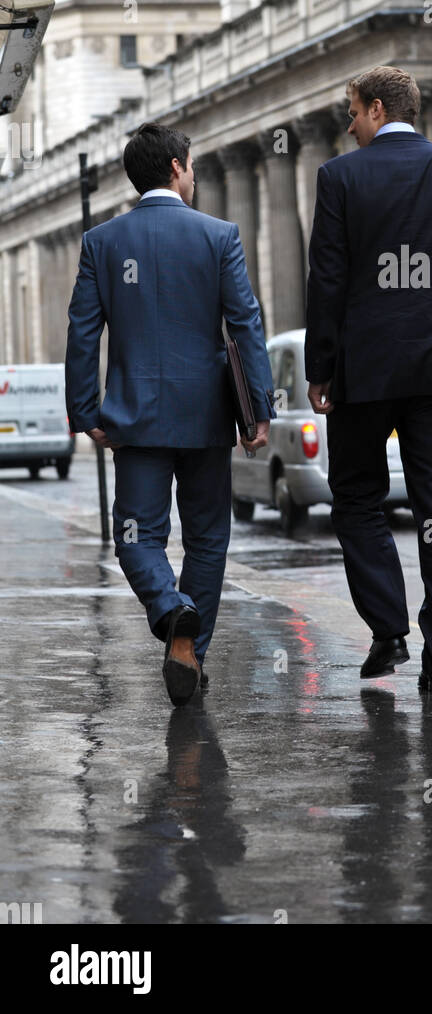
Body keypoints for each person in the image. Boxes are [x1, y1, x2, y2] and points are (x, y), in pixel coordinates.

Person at [305, 65, 432, 693]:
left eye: (351, 111)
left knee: (356, 498)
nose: (348, 124)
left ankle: (389, 626)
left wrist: (321, 369)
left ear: (373, 108)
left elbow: (329, 280)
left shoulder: (339, 176)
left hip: (364, 373)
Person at [65, 122, 275, 707]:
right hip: (207, 418)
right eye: (194, 165)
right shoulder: (219, 236)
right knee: (208, 540)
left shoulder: (101, 243)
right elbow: (245, 324)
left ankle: (170, 613)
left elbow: (83, 333)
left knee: (136, 537)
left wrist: (85, 411)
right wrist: (258, 410)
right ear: (179, 167)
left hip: (134, 420)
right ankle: (191, 649)